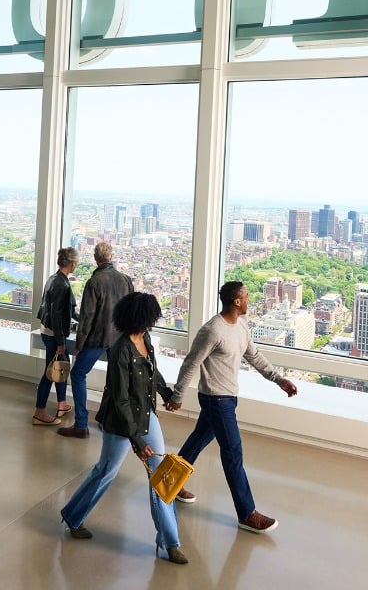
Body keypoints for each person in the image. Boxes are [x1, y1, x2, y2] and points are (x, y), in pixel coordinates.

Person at [59, 292, 188, 565]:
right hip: (120, 421)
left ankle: (170, 541)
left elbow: (153, 372)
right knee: (106, 471)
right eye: (151, 316)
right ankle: (72, 515)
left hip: (146, 414)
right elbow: (120, 399)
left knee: (161, 474)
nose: (154, 321)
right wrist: (137, 442)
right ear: (140, 319)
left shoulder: (146, 339)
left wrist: (166, 393)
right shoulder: (120, 350)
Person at [164, 281, 298, 534]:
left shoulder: (241, 328)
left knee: (198, 439)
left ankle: (168, 481)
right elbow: (191, 363)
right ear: (237, 301)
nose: (250, 300)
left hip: (228, 397)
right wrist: (178, 395)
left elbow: (255, 356)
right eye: (246, 296)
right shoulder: (213, 330)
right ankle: (247, 513)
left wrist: (279, 380)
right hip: (216, 399)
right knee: (233, 452)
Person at [58, 242, 134, 440]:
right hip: (119, 338)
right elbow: (131, 311)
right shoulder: (125, 280)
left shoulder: (95, 282)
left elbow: (87, 316)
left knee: (77, 374)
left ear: (95, 258)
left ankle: (81, 424)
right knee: (115, 378)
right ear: (111, 257)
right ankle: (110, 421)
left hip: (97, 338)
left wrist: (80, 345)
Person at [32, 247, 79, 425]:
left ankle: (62, 404)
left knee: (60, 367)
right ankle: (39, 412)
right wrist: (60, 342)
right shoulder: (62, 285)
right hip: (54, 334)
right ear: (73, 264)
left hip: (47, 331)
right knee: (50, 372)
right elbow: (57, 315)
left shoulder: (54, 278)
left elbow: (65, 311)